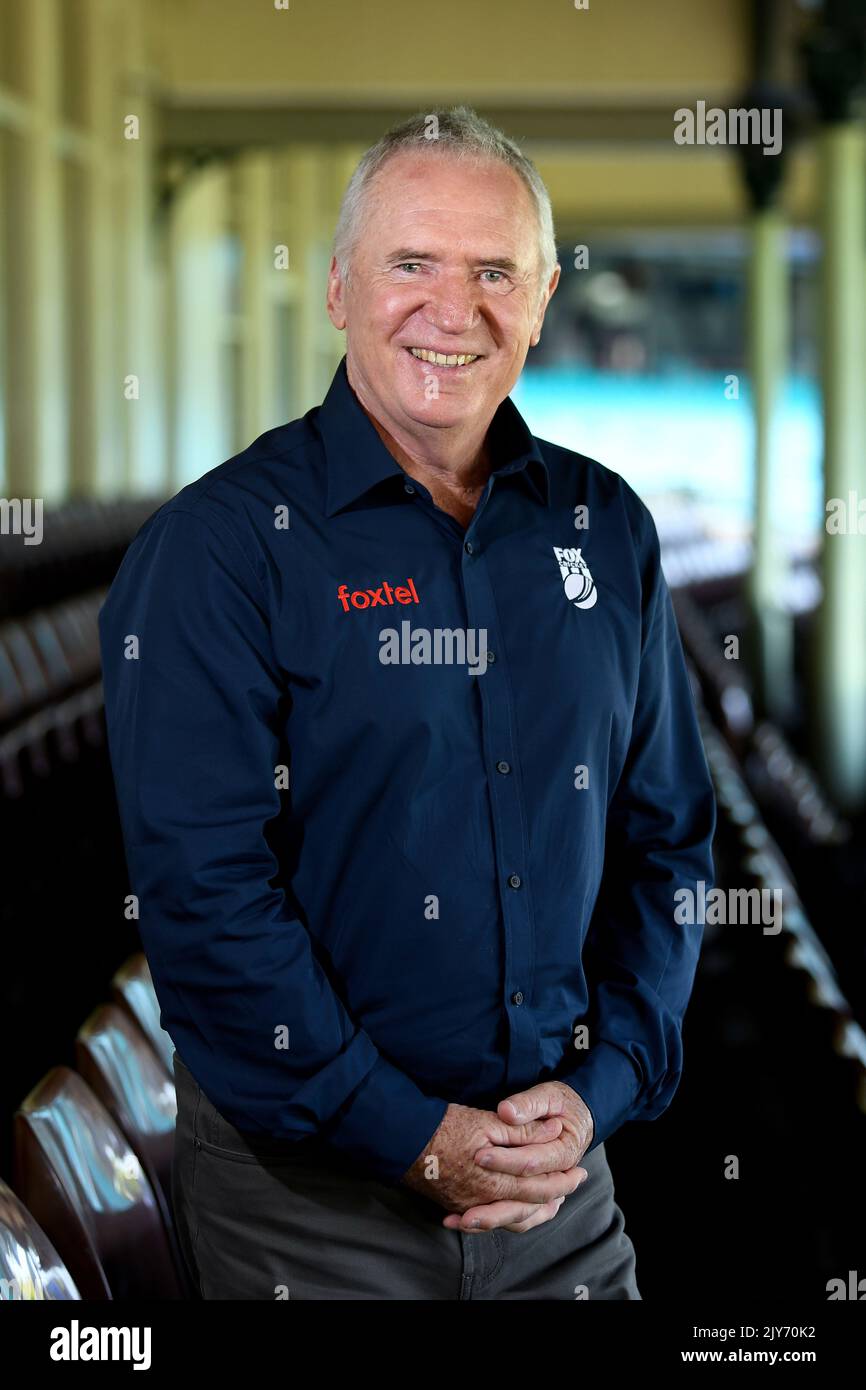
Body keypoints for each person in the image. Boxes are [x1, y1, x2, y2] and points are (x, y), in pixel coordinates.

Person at [99, 106, 716, 1300]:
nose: (455, 308)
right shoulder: (218, 552)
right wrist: (410, 1133)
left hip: (558, 1193)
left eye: (495, 272)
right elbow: (204, 897)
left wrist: (601, 1091)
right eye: (411, 264)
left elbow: (669, 843)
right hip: (311, 1209)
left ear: (539, 303)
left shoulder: (607, 530)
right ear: (338, 289)